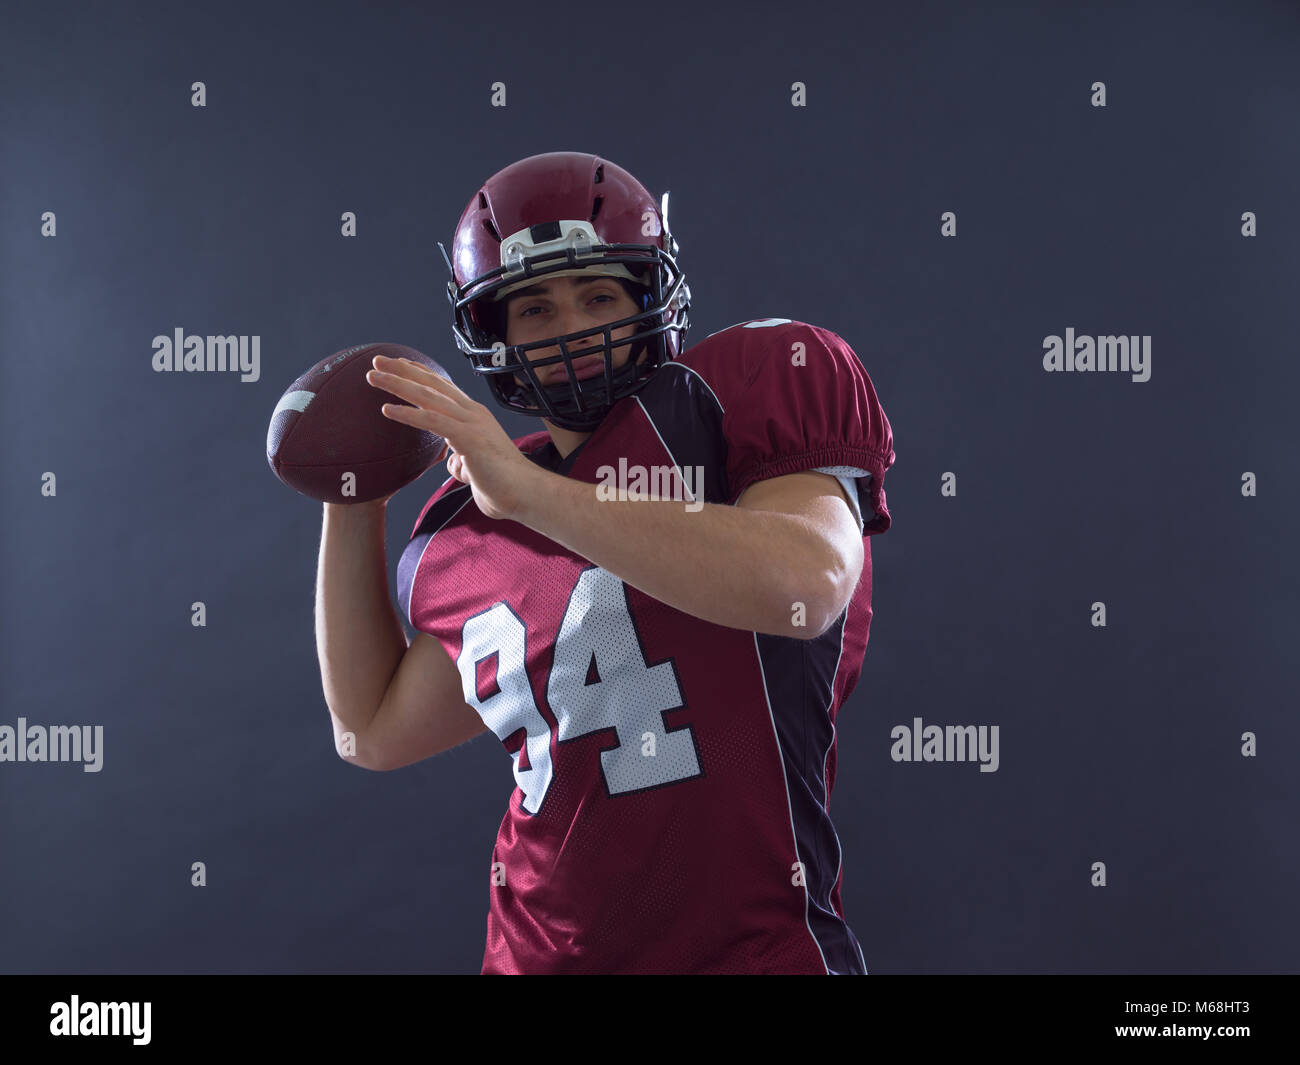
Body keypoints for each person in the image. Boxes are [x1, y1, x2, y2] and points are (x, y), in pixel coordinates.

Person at [319, 151, 895, 974]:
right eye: (535, 308)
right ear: (493, 333)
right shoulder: (469, 514)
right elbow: (369, 729)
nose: (572, 330)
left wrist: (527, 493)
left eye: (598, 294)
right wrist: (351, 494)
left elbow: (804, 582)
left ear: (652, 293)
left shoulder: (739, 394)